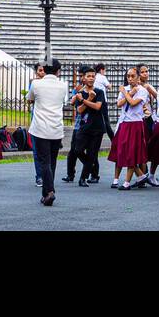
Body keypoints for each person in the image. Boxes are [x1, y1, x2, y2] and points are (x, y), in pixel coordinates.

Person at [27, 58, 68, 206]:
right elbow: (64, 100)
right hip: (56, 127)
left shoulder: (36, 84)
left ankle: (50, 191)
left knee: (44, 161)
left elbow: (30, 99)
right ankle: (46, 193)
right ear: (58, 71)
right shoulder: (63, 85)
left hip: (40, 127)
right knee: (52, 161)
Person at [108, 67, 150, 189]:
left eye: (133, 76)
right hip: (124, 122)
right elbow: (119, 104)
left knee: (132, 152)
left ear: (138, 77)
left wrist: (127, 94)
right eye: (128, 76)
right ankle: (140, 176)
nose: (130, 79)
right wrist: (128, 93)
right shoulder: (125, 89)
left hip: (135, 123)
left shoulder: (142, 90)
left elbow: (133, 103)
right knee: (122, 151)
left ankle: (127, 182)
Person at [65, 68, 104, 184]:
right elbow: (80, 110)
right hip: (84, 127)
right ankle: (90, 167)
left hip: (97, 127)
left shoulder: (99, 91)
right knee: (77, 150)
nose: (91, 78)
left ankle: (83, 178)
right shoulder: (80, 93)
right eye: (89, 76)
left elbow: (97, 107)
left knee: (92, 153)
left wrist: (86, 101)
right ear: (84, 78)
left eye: (93, 76)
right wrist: (89, 98)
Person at [28, 63, 46, 186]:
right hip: (36, 119)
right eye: (40, 70)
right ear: (36, 72)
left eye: (44, 70)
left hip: (49, 120)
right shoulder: (34, 84)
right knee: (37, 150)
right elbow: (29, 100)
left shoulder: (53, 85)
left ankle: (47, 175)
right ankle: (39, 176)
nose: (42, 72)